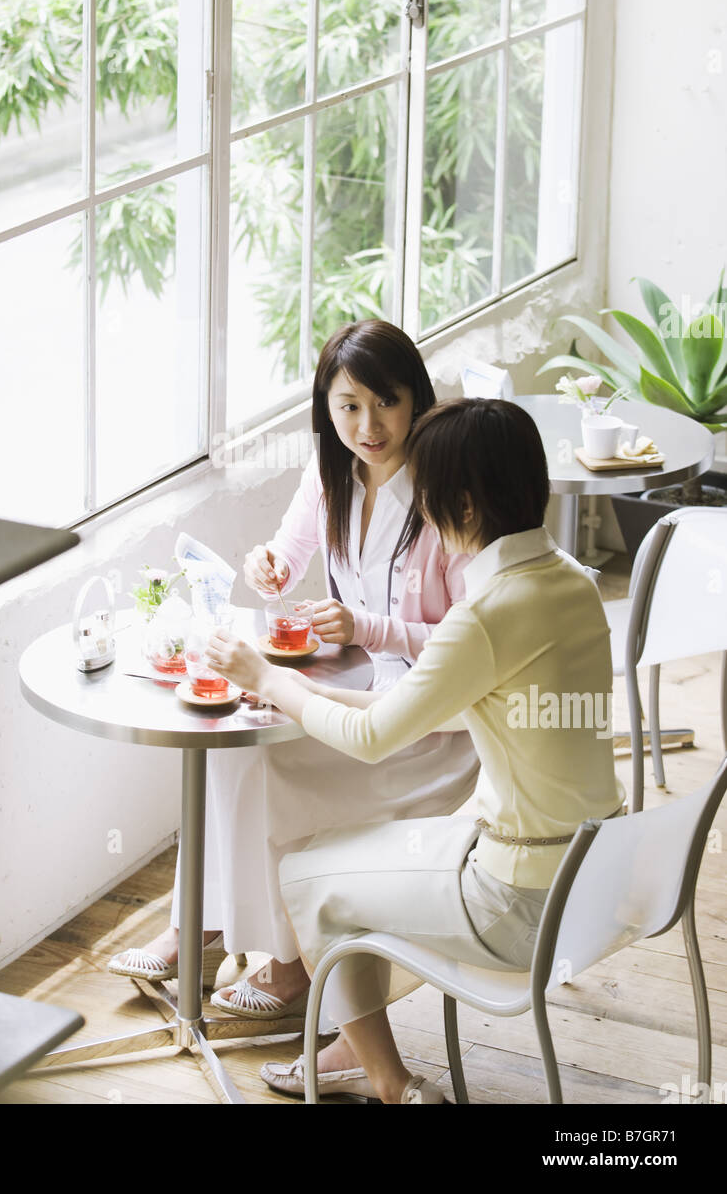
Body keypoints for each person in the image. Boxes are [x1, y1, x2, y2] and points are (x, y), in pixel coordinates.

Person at [206, 397, 627, 1103]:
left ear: (460, 502)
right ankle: (352, 1046)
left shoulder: (487, 615)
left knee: (306, 872)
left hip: (523, 900)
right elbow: (428, 709)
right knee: (352, 863)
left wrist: (269, 679)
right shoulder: (572, 583)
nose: (421, 513)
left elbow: (373, 742)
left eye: (426, 496)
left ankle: (387, 1080)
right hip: (595, 876)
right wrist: (295, 695)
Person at [107, 321, 479, 1036]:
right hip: (360, 690)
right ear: (326, 408)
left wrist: (370, 628)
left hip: (431, 719)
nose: (367, 426)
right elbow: (284, 552)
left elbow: (477, 640)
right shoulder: (330, 470)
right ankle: (205, 925)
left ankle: (286, 960)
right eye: (347, 406)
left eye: (385, 403)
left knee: (267, 767)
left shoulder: (447, 492)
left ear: (416, 400)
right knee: (230, 747)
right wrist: (268, 567)